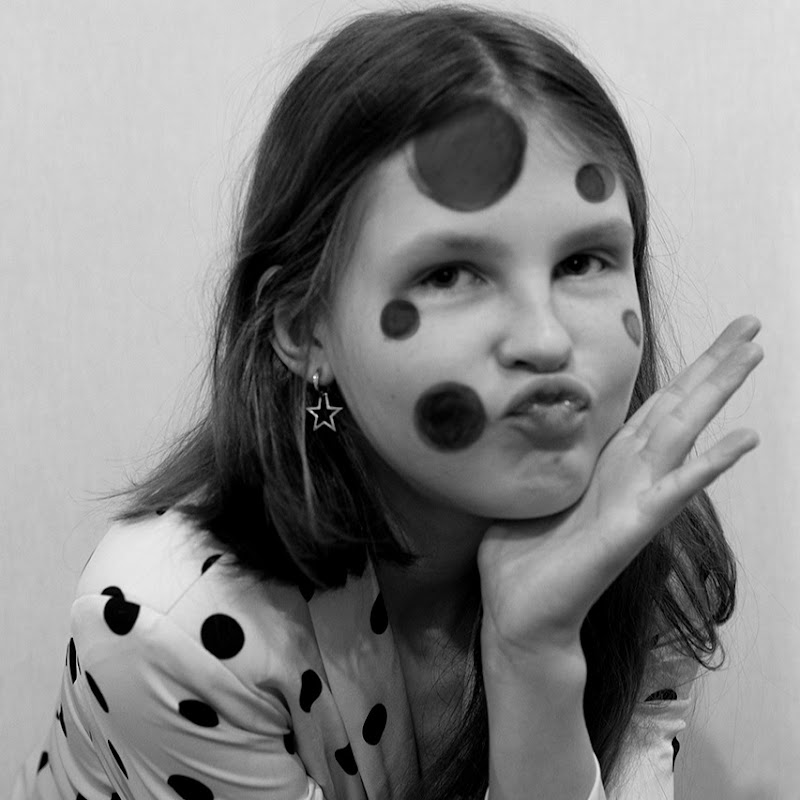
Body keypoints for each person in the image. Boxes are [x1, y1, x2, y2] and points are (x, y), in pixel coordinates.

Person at [13, 5, 764, 799]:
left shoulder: (646, 553)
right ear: (304, 330)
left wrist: (536, 656)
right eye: (449, 274)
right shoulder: (175, 625)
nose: (546, 340)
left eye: (584, 260)